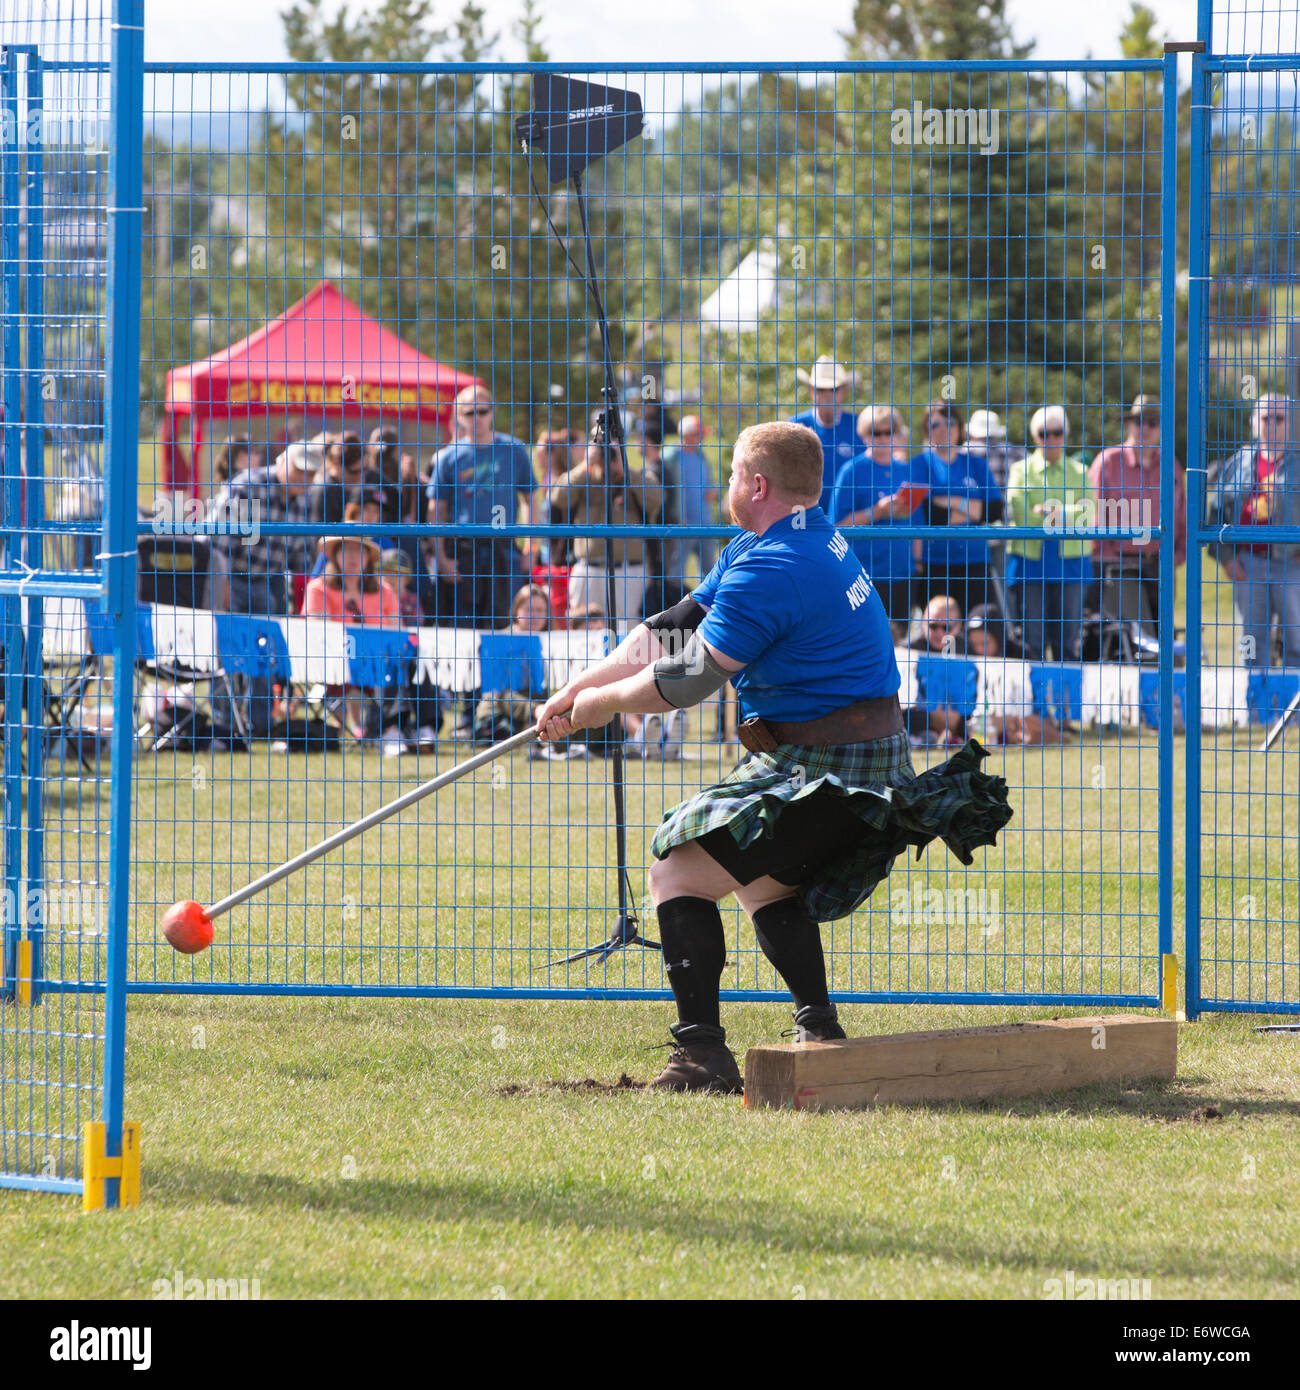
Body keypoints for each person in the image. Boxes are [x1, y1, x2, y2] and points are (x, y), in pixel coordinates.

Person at [535, 421, 1012, 1093]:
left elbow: (689, 679)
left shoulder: (774, 566)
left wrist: (603, 707)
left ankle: (701, 1058)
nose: (726, 484)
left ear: (757, 485)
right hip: (839, 760)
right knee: (763, 879)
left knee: (676, 872)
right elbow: (673, 627)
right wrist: (578, 687)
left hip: (834, 771)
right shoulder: (793, 539)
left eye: (731, 474)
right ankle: (819, 1031)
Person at [212, 437, 321, 738]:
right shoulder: (247, 487)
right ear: (282, 463)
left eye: (311, 474)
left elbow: (301, 556)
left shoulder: (305, 501)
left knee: (265, 651)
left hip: (269, 580)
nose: (305, 479)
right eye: (300, 471)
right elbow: (217, 546)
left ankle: (259, 722)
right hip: (229, 575)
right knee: (227, 647)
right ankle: (226, 721)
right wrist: (220, 592)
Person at [1205, 393, 1300, 668]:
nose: (1271, 424)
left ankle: (1293, 709)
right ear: (1253, 422)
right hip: (1248, 563)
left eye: (1279, 418)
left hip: (1291, 564)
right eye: (1265, 417)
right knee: (1251, 643)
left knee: (1296, 641)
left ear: (1290, 422)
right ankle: (1256, 709)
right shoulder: (1240, 462)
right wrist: (1226, 558)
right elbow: (1217, 512)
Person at [1088, 395, 1187, 650]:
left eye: (1153, 423)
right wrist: (1107, 562)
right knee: (1141, 640)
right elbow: (1093, 515)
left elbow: (1182, 513)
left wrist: (1178, 554)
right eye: (1140, 421)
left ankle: (1167, 688)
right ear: (1129, 424)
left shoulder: (1171, 464)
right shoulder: (1108, 462)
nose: (1146, 428)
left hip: (1162, 564)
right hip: (1121, 566)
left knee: (1163, 632)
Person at [1004, 406, 1093, 662]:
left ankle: (1068, 702)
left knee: (1068, 642)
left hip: (1071, 562)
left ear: (1065, 434)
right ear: (1035, 436)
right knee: (1033, 641)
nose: (1051, 439)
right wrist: (1067, 514)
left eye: (1057, 432)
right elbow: (1020, 513)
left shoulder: (1081, 471)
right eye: (1045, 433)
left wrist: (1049, 510)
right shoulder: (1021, 470)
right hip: (1031, 561)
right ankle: (1035, 703)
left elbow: (1089, 513)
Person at [829, 405, 926, 636]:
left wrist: (918, 565)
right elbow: (837, 525)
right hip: (864, 572)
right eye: (876, 432)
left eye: (889, 431)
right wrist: (876, 512)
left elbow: (918, 525)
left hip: (903, 573)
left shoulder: (907, 470)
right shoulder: (851, 471)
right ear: (864, 435)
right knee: (863, 639)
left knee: (900, 641)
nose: (883, 438)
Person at [550, 437, 662, 635]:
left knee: (627, 634)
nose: (606, 454)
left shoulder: (637, 476)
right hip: (588, 568)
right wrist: (586, 465)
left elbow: (656, 499)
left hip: (627, 570)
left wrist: (624, 469)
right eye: (601, 447)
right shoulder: (584, 477)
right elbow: (558, 497)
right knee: (580, 633)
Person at [304, 533, 403, 746]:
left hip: (379, 660)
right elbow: (315, 631)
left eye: (359, 551)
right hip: (333, 661)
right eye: (346, 550)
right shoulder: (318, 588)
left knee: (402, 657)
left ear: (368, 557)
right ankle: (374, 729)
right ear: (335, 555)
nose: (352, 556)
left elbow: (397, 632)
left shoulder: (384, 591)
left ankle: (399, 729)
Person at [913, 401, 1004, 619]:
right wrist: (971, 510)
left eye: (950, 423)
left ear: (960, 427)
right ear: (927, 430)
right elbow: (928, 515)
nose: (943, 429)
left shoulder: (977, 465)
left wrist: (952, 501)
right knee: (939, 636)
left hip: (975, 561)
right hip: (934, 563)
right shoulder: (919, 464)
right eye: (935, 424)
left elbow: (993, 512)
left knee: (977, 634)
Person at [789, 355, 861, 510]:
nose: (827, 394)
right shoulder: (795, 426)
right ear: (811, 391)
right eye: (821, 389)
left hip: (850, 517)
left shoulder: (860, 425)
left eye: (833, 389)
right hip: (805, 515)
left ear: (844, 391)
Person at [661, 415, 720, 585]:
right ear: (686, 435)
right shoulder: (670, 457)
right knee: (676, 570)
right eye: (698, 434)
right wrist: (678, 516)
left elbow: (709, 481)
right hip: (682, 522)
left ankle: (708, 607)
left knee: (711, 569)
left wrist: (712, 488)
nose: (702, 438)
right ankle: (674, 606)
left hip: (705, 521)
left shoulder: (701, 455)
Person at [966, 410, 1024, 491]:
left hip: (973, 502)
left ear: (972, 432)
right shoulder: (1016, 451)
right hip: (1007, 502)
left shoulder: (965, 452)